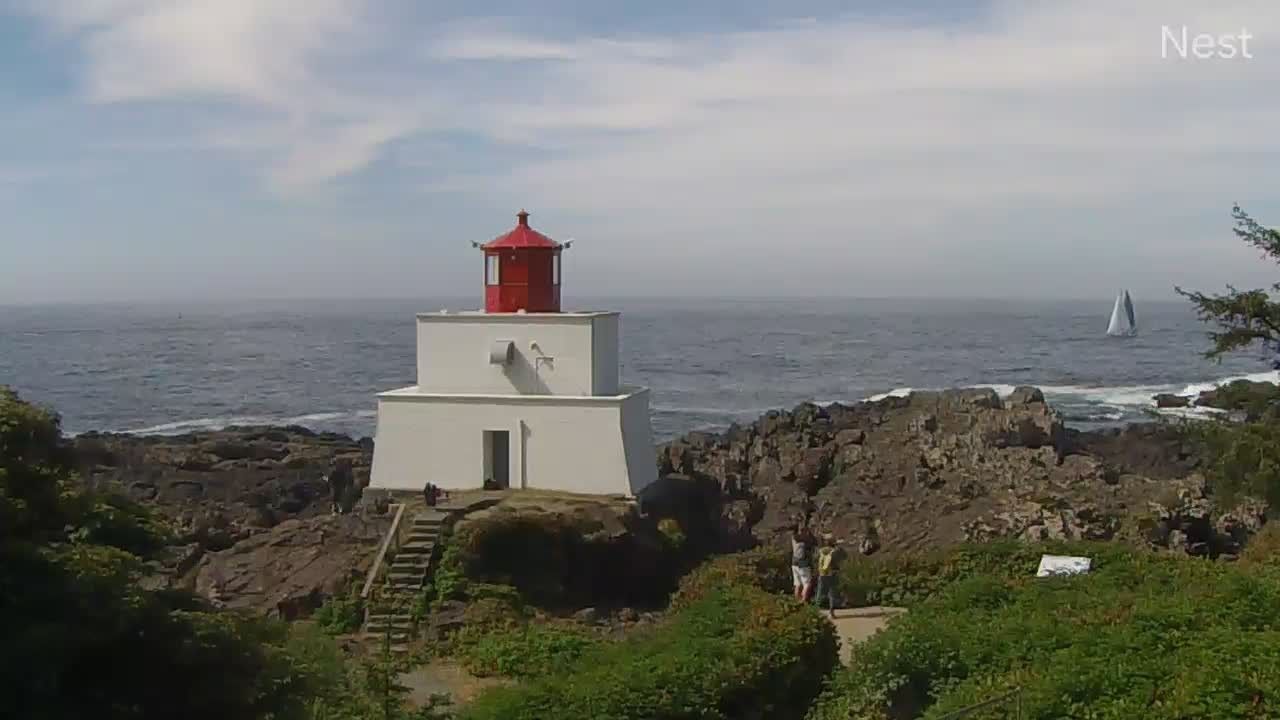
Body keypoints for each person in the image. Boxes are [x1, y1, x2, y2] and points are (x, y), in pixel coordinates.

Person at [814, 534, 841, 618]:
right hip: (832, 573)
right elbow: (843, 557)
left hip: (822, 573)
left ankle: (816, 611)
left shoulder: (820, 551)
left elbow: (815, 559)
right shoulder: (836, 551)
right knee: (832, 592)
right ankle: (831, 612)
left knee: (820, 592)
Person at [790, 523, 814, 602]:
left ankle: (796, 601)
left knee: (797, 584)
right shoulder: (805, 540)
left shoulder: (794, 538)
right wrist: (809, 533)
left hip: (794, 562)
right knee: (807, 583)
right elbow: (814, 542)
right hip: (803, 563)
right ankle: (803, 601)